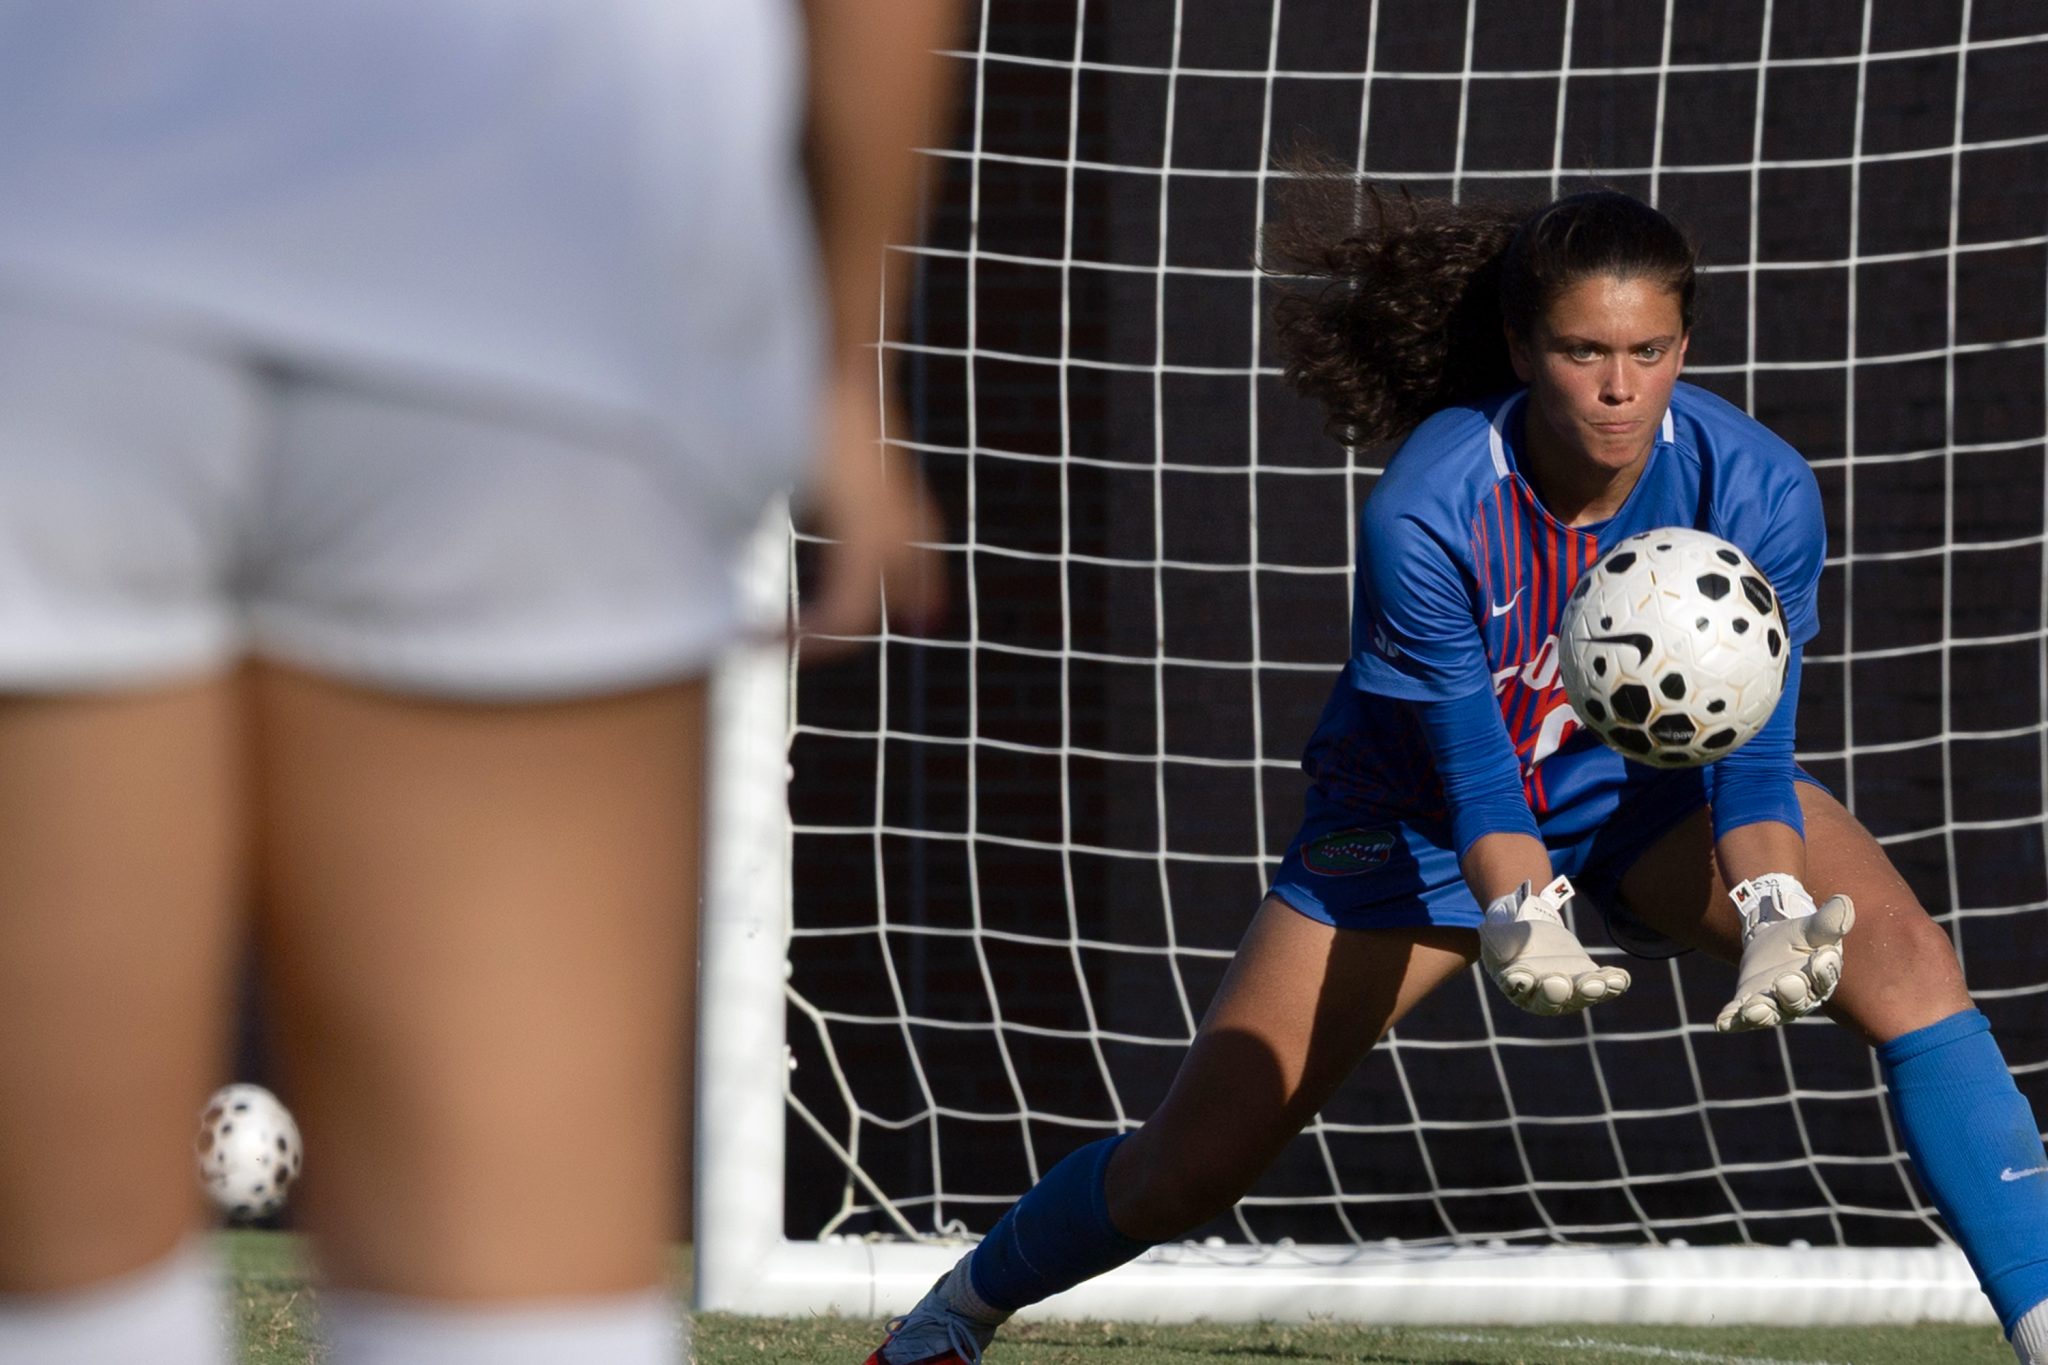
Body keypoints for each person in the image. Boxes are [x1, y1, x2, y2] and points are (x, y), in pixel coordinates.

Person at [864, 182, 2048, 1365]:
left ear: (1684, 344)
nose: (1619, 387)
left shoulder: (1761, 490)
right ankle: (955, 1313)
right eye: (1583, 350)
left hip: (1643, 796)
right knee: (1195, 1159)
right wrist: (1521, 916)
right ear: (1520, 346)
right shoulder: (1430, 507)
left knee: (1903, 964)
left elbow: (1752, 759)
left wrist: (1775, 908)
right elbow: (1479, 779)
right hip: (1420, 819)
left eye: (1647, 350)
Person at [0, 3, 954, 1364]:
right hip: (543, 250)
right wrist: (847, 356)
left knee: (55, 1306)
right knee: (512, 1318)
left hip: (52, 244)